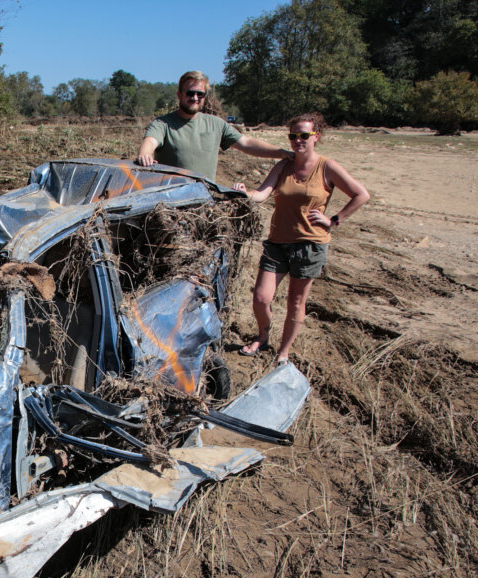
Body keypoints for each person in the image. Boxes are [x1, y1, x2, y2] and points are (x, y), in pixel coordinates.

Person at [234, 113, 370, 365]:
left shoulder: (327, 166)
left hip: (310, 244)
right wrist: (244, 193)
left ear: (316, 137)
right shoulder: (283, 165)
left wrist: (334, 220)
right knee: (261, 297)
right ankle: (262, 338)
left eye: (304, 135)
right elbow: (262, 194)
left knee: (296, 302)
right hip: (277, 243)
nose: (298, 140)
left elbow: (361, 195)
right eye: (294, 135)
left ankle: (283, 352)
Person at [136, 71, 289, 180]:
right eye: (190, 93)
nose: (195, 98)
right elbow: (150, 141)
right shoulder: (163, 123)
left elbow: (247, 143)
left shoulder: (216, 124)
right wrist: (146, 155)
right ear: (179, 95)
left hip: (205, 204)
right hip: (170, 205)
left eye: (200, 94)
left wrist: (282, 153)